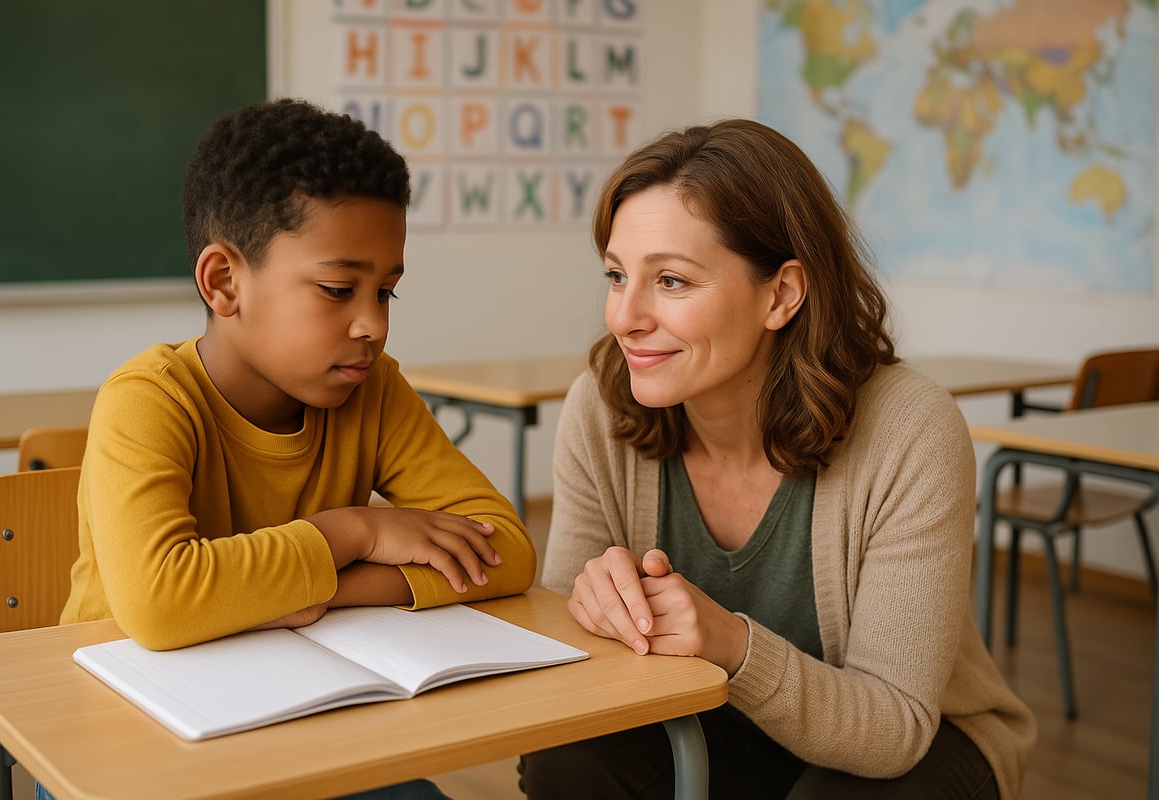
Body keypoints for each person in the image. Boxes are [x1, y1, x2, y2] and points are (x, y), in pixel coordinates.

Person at [517, 119, 1035, 799]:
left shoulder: (911, 428)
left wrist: (731, 644)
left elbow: (894, 731)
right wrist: (586, 605)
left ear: (782, 294)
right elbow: (569, 673)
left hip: (915, 743)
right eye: (617, 276)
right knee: (566, 756)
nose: (623, 316)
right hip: (716, 720)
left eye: (670, 281)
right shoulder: (601, 407)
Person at [58, 98, 535, 800]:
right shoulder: (147, 399)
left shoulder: (372, 392)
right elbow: (161, 603)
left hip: (301, 721)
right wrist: (357, 530)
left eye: (387, 293)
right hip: (125, 741)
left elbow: (508, 551)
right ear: (224, 282)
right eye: (338, 289)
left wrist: (320, 591)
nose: (372, 325)